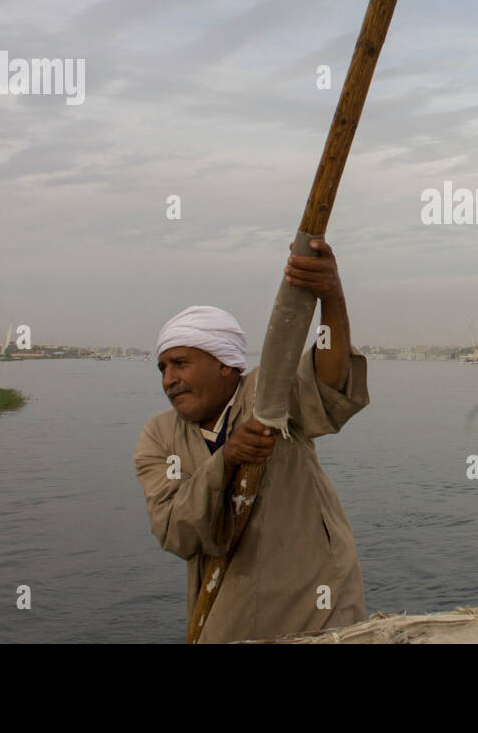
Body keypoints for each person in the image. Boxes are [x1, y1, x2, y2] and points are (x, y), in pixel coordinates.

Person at [132, 240, 370, 643]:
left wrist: (330, 295)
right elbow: (175, 531)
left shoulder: (269, 393)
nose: (169, 379)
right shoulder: (158, 437)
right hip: (226, 616)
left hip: (316, 606)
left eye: (180, 363)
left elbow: (329, 380)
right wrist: (226, 460)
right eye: (162, 368)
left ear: (224, 364)